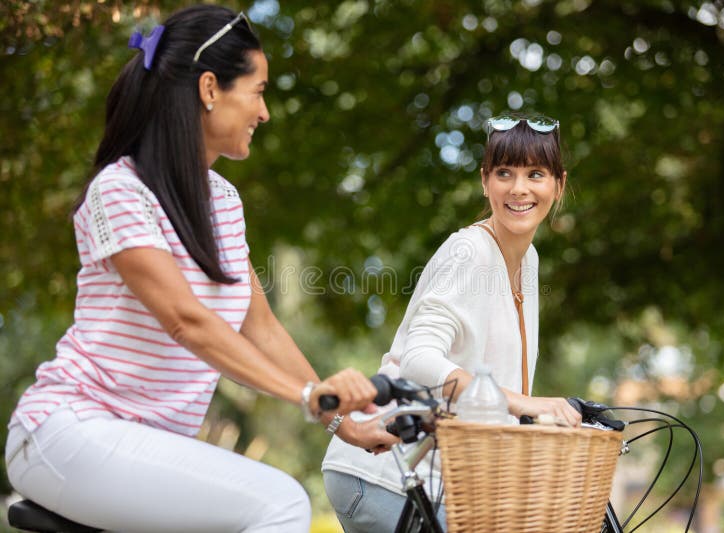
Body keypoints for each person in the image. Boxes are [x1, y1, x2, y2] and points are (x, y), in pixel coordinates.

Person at [3, 6, 396, 532]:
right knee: (280, 502)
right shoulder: (121, 191)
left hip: (144, 444)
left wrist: (343, 420)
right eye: (257, 91)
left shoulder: (223, 202)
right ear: (210, 89)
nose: (265, 112)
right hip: (67, 430)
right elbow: (186, 321)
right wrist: (308, 397)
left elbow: (260, 328)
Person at [321, 113, 583, 532]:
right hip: (388, 473)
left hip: (445, 483)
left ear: (559, 184)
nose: (519, 188)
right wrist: (522, 402)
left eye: (536, 173)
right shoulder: (470, 252)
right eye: (504, 172)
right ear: (485, 181)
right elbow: (419, 361)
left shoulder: (528, 261)